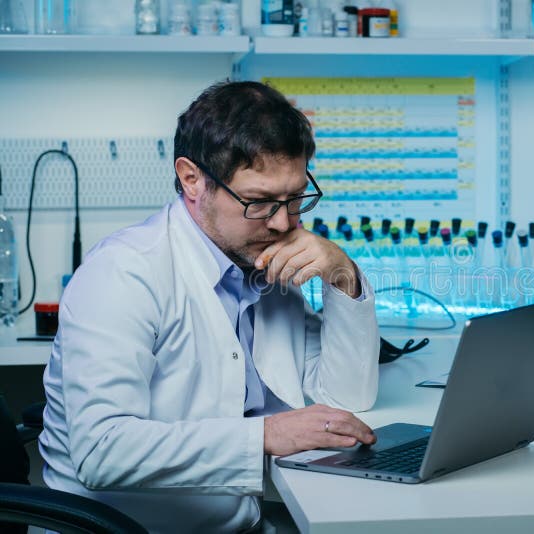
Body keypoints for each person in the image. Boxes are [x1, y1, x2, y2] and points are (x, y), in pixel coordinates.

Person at [38, 81, 380, 533]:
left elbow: (346, 399)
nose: (283, 223)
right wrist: (266, 435)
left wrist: (344, 277)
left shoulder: (263, 261)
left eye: (296, 198)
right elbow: (102, 450)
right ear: (192, 178)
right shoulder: (123, 273)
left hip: (242, 518)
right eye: (259, 202)